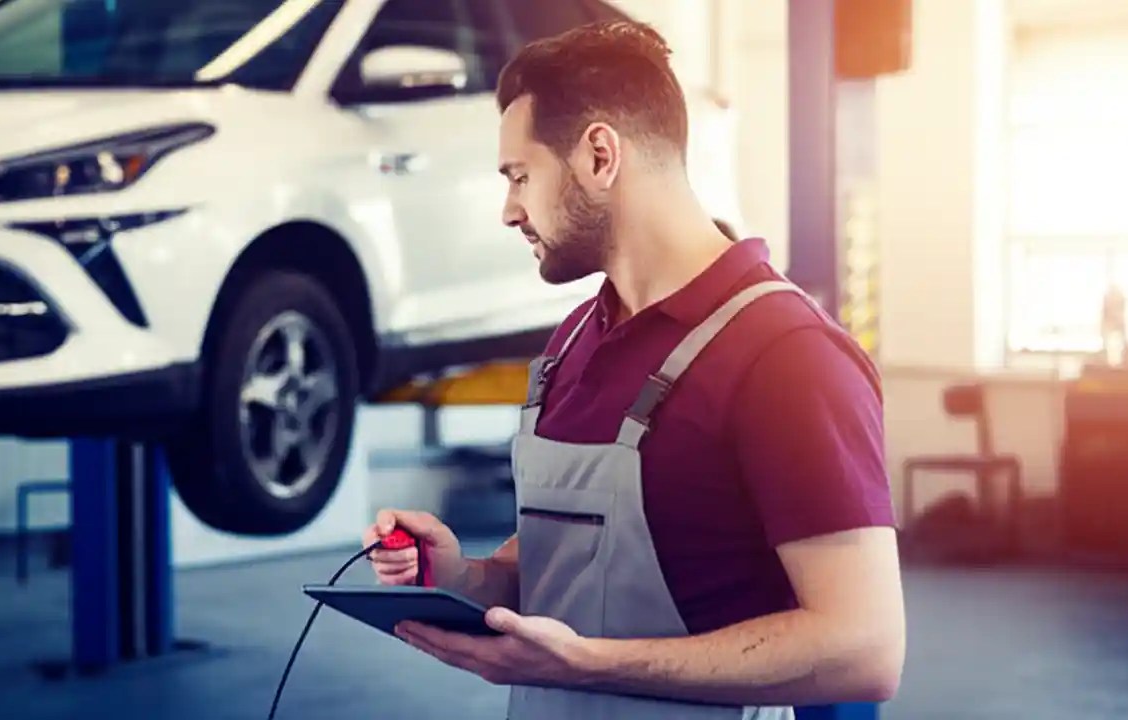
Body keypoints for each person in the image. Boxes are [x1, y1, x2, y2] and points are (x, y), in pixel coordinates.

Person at [363, 20, 905, 719]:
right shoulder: (572, 343)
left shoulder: (788, 355)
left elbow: (864, 648)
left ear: (598, 155)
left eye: (520, 176)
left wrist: (591, 665)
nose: (509, 211)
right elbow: (566, 574)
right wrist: (463, 577)